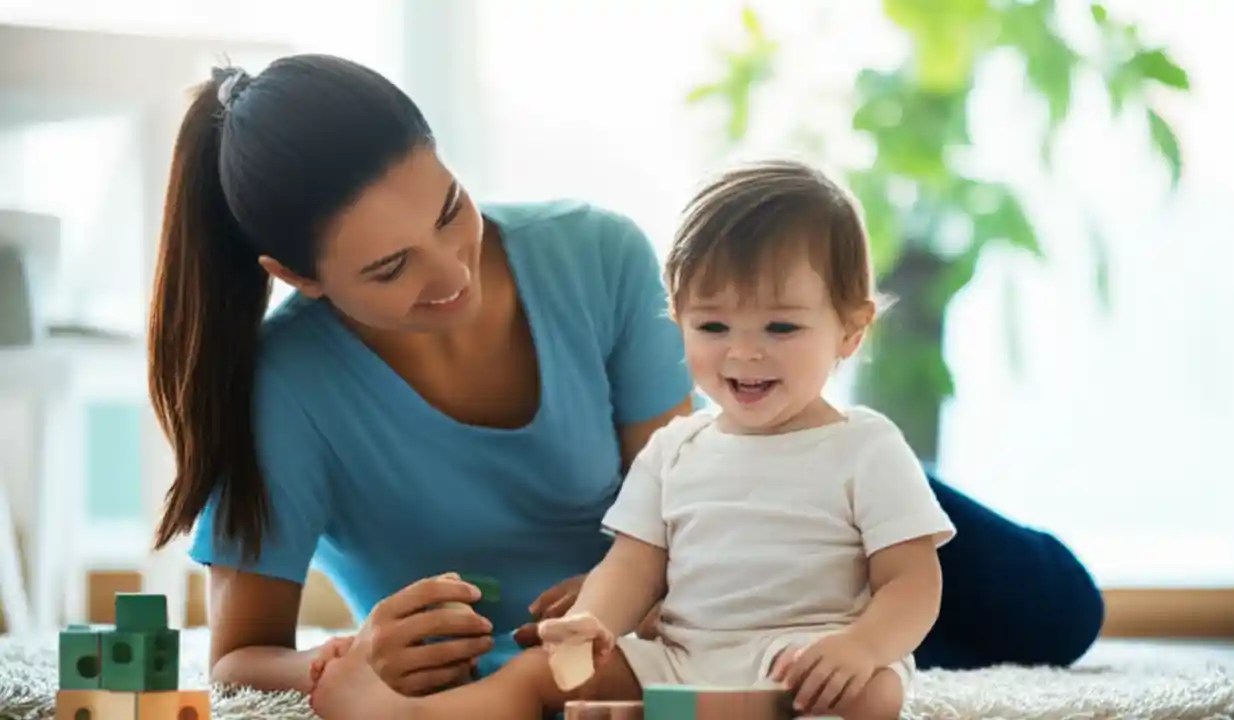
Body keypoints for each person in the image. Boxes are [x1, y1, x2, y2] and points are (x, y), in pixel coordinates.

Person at [147, 53, 1103, 701]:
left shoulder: (592, 251)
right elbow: (235, 658)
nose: (453, 274)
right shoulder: (284, 388)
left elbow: (700, 476)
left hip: (777, 522)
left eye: (450, 210)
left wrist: (623, 590)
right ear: (297, 278)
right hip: (622, 663)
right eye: (390, 269)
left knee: (1057, 611)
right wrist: (346, 657)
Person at [310, 159, 958, 720]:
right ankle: (412, 714)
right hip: (678, 660)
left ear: (851, 330)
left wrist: (862, 646)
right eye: (711, 325)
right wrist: (592, 624)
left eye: (781, 327)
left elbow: (911, 582)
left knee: (873, 695)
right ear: (676, 320)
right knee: (545, 672)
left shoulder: (866, 445)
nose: (744, 352)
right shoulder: (676, 448)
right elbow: (632, 566)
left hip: (806, 663)